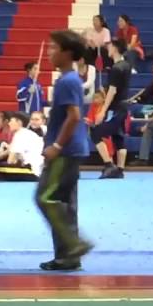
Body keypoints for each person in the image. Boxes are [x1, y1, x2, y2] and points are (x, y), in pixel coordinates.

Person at [35, 31, 93, 271]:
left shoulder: (67, 81)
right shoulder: (70, 80)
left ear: (67, 53)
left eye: (53, 48)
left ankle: (74, 244)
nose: (49, 53)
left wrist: (56, 146)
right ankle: (67, 257)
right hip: (73, 149)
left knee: (45, 197)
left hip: (65, 151)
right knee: (66, 203)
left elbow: (74, 116)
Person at [91, 39, 133, 179]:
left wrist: (103, 110)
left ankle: (109, 164)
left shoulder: (116, 68)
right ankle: (120, 169)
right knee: (118, 136)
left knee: (96, 132)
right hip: (123, 105)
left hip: (115, 107)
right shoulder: (126, 65)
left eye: (110, 46)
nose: (107, 49)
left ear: (114, 48)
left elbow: (113, 90)